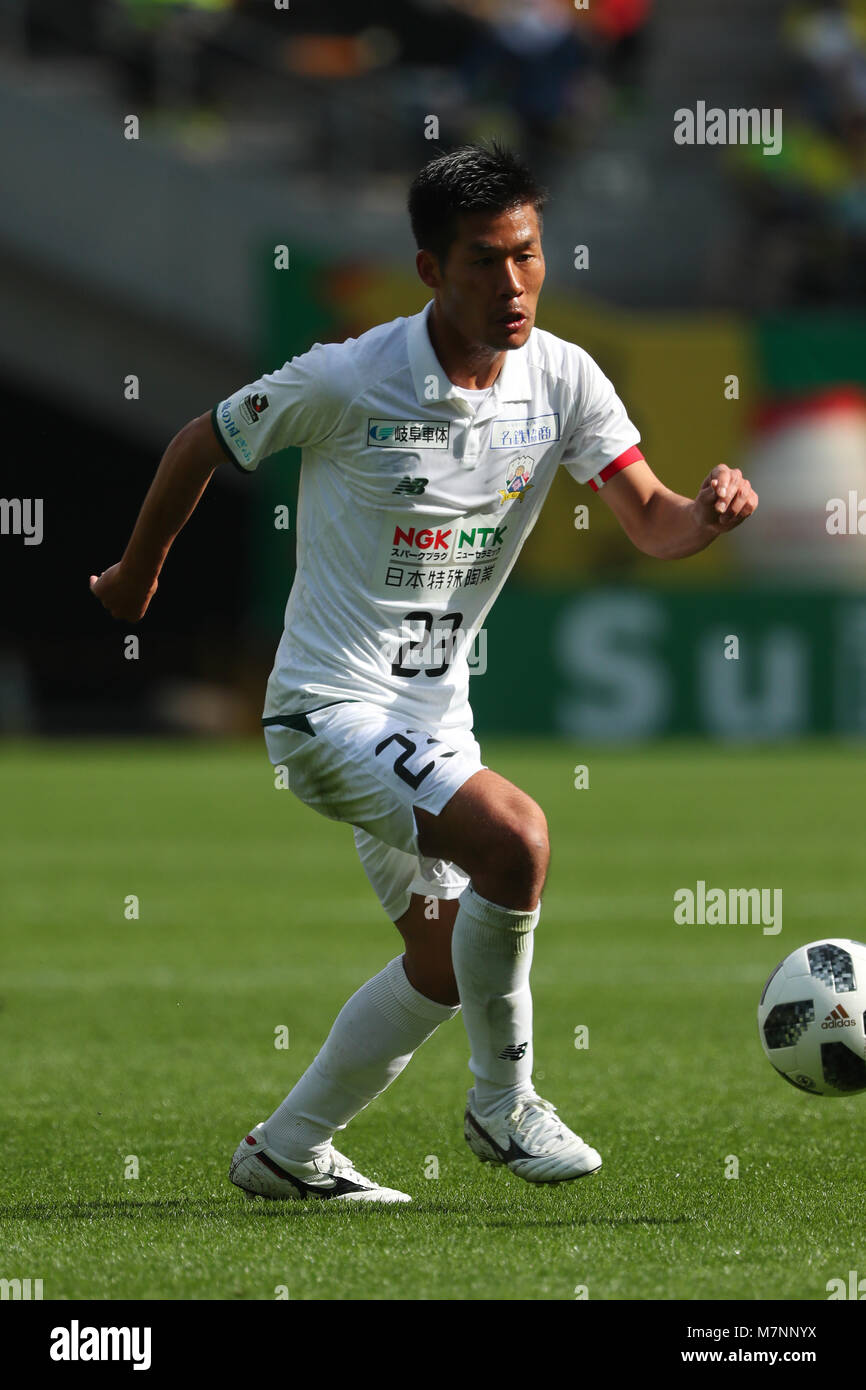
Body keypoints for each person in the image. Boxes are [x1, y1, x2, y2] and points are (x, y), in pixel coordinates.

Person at [90, 142, 758, 1203]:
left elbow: (651, 520)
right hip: (325, 712)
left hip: (433, 725)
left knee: (446, 965)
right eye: (485, 262)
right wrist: (136, 573)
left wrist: (706, 516)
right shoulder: (349, 377)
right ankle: (503, 1106)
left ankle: (285, 1149)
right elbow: (200, 440)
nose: (511, 285)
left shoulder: (562, 378)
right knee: (518, 837)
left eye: (526, 256)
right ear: (428, 269)